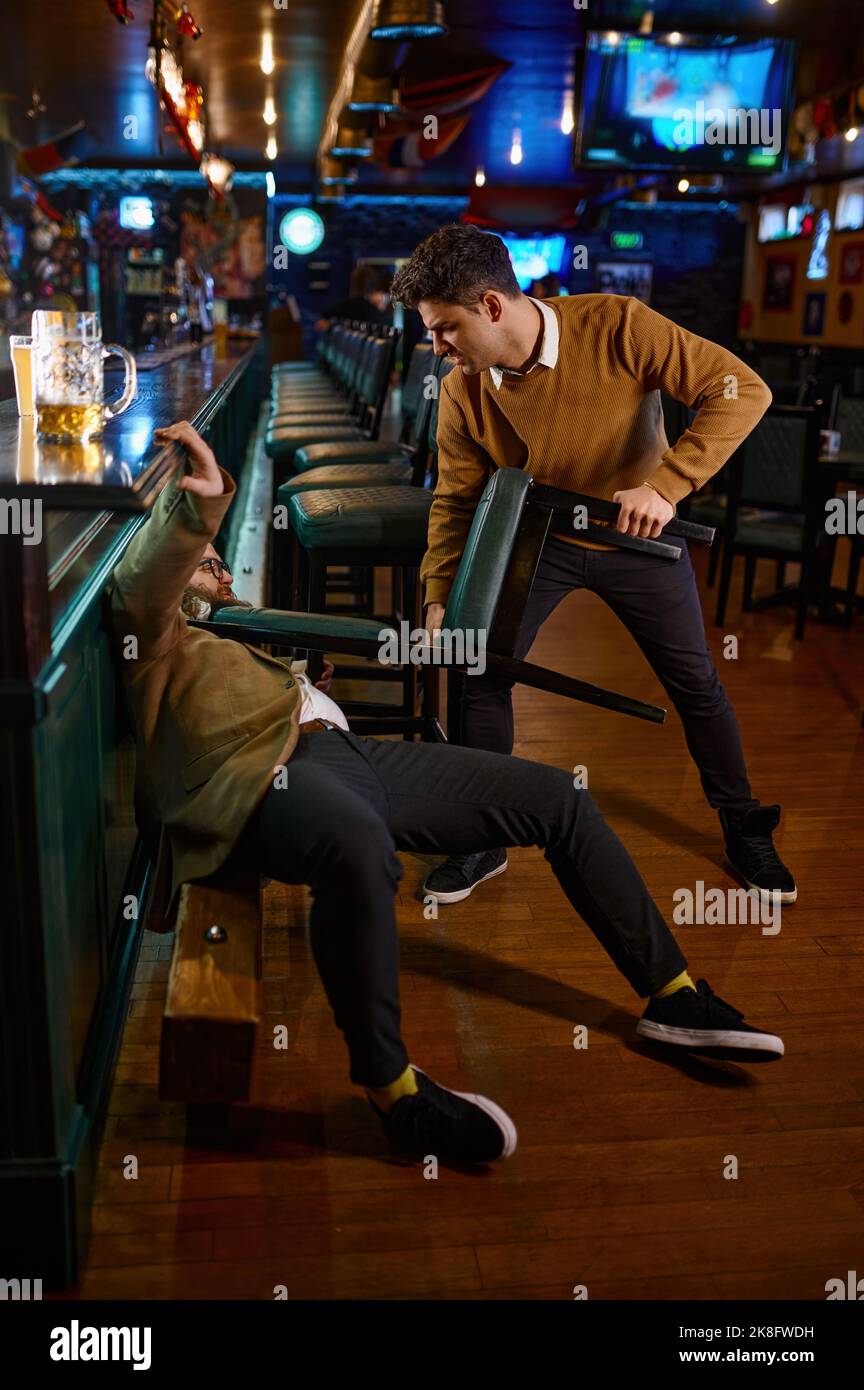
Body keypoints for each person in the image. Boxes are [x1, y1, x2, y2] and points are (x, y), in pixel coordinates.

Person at [110, 421, 785, 1169]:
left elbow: (222, 619)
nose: (225, 576)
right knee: (356, 842)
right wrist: (198, 502)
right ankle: (392, 1089)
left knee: (559, 797)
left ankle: (674, 995)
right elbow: (139, 590)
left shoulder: (231, 635)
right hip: (263, 772)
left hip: (350, 754)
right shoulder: (160, 640)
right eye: (208, 568)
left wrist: (297, 674)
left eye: (222, 566)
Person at [389, 225, 796, 909]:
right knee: (479, 671)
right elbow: (456, 499)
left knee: (694, 682)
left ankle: (743, 824)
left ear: (490, 306)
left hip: (638, 535)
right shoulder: (464, 390)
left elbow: (743, 391)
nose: (437, 349)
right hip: (536, 538)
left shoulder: (618, 324)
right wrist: (438, 595)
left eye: (444, 329)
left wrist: (668, 484)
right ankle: (482, 837)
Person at [314, 265, 391, 332]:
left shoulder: (340, 308)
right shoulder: (378, 314)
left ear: (353, 285)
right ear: (374, 287)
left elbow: (319, 325)